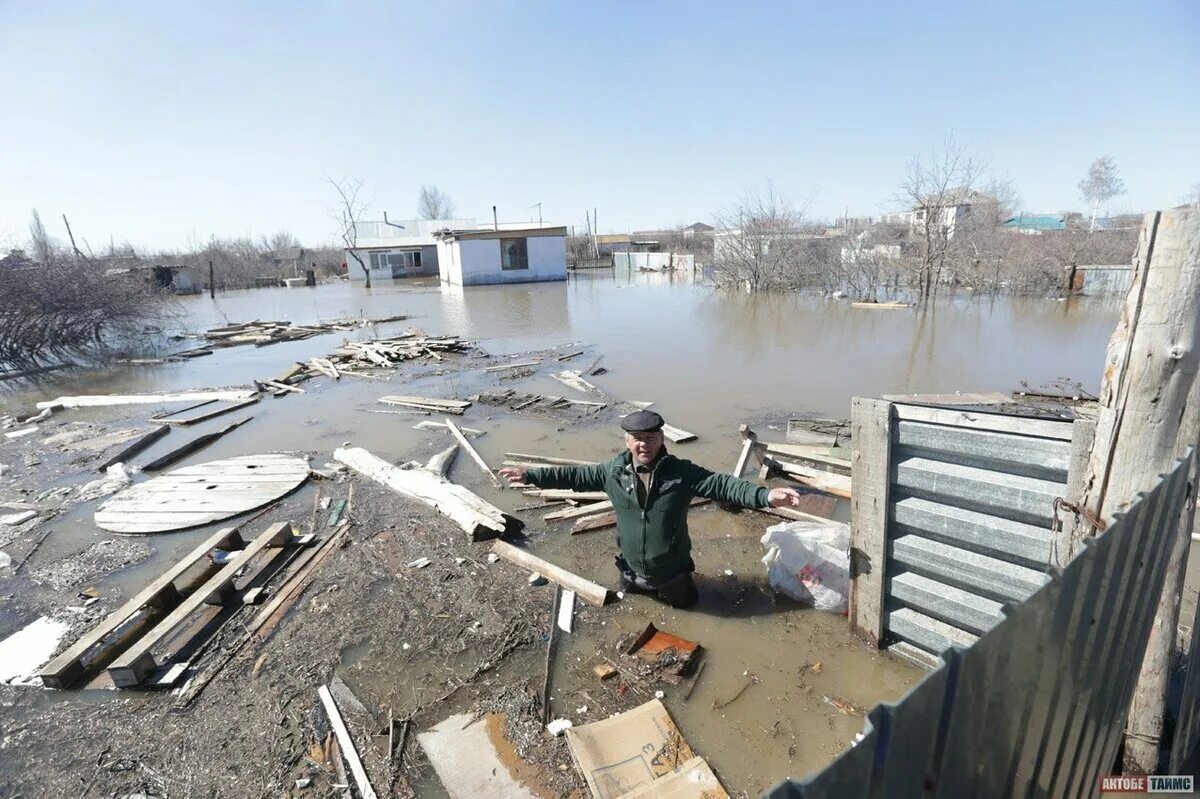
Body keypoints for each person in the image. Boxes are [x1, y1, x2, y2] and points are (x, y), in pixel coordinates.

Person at [498, 410, 805, 609]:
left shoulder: (681, 473)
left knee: (690, 607)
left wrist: (765, 496)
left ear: (662, 438)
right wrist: (530, 474)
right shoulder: (613, 472)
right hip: (629, 569)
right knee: (630, 605)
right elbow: (573, 477)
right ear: (626, 440)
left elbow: (723, 485)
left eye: (650, 438)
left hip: (672, 572)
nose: (643, 445)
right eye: (637, 439)